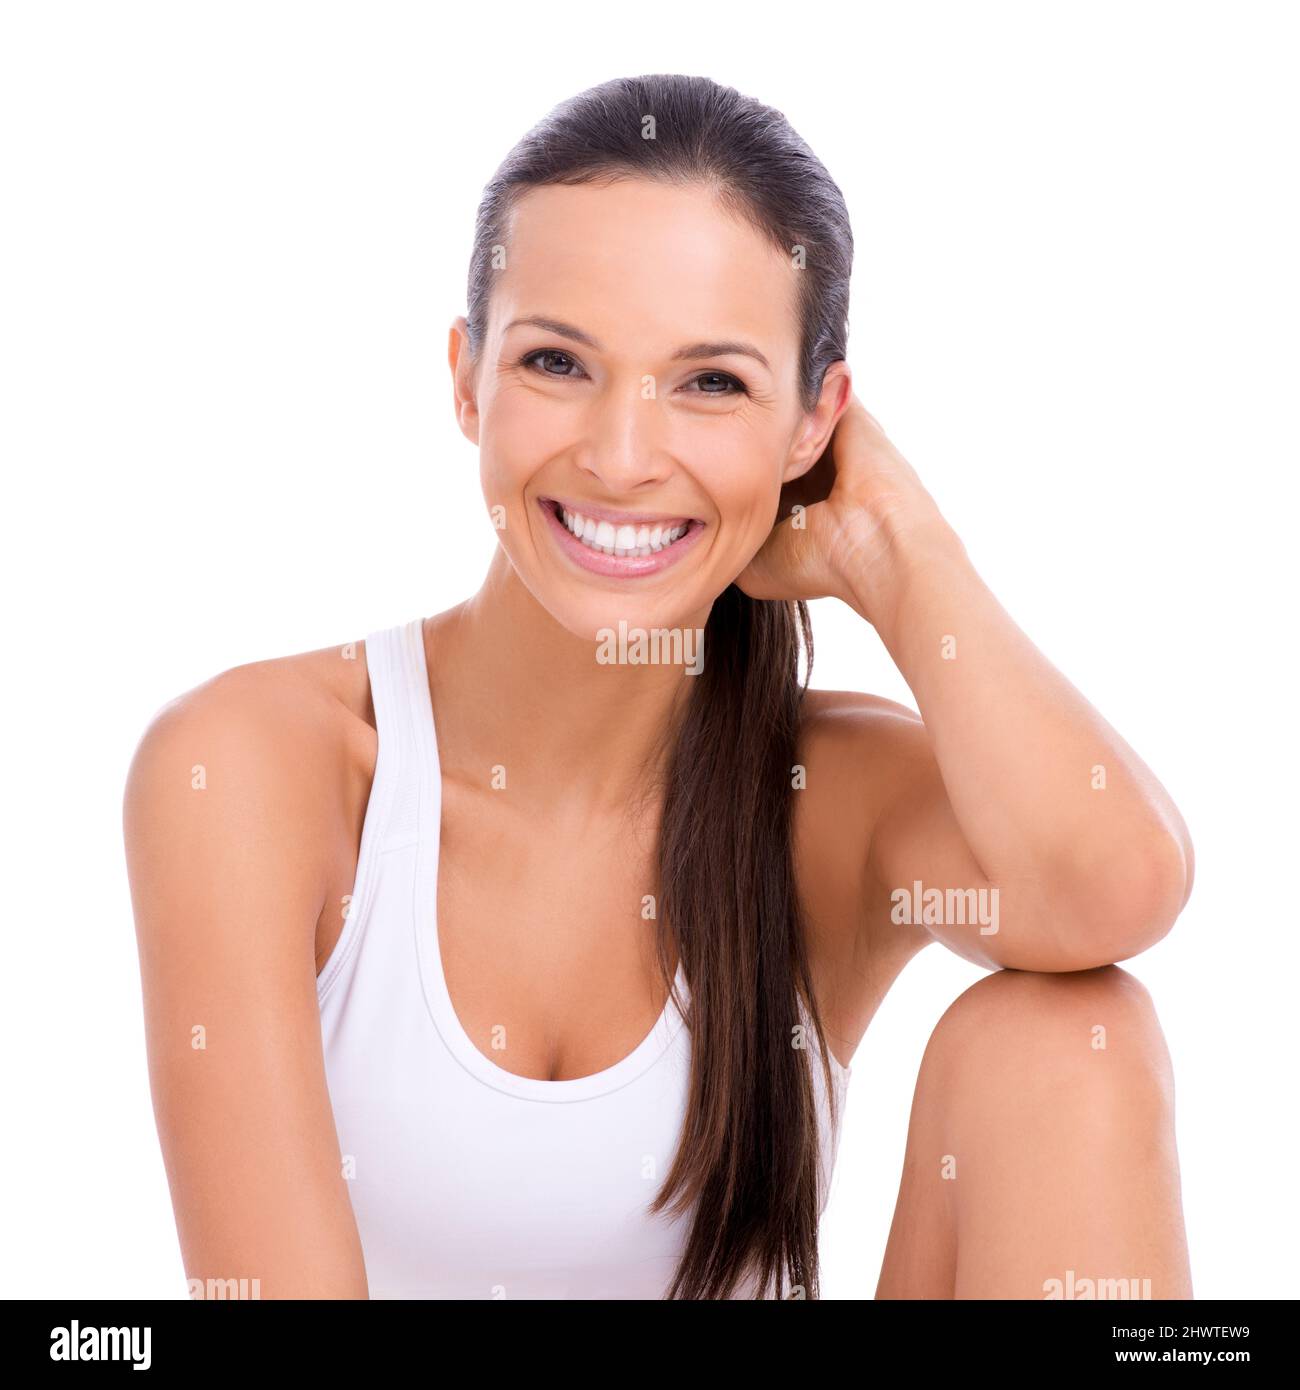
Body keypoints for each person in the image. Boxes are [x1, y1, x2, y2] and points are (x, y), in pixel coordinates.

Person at [124, 73, 1194, 1300]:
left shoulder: (820, 796)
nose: (623, 457)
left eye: (712, 383)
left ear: (815, 425)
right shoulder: (258, 765)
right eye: (558, 362)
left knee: (1072, 1041)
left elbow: (1116, 885)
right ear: (467, 379)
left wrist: (899, 554)